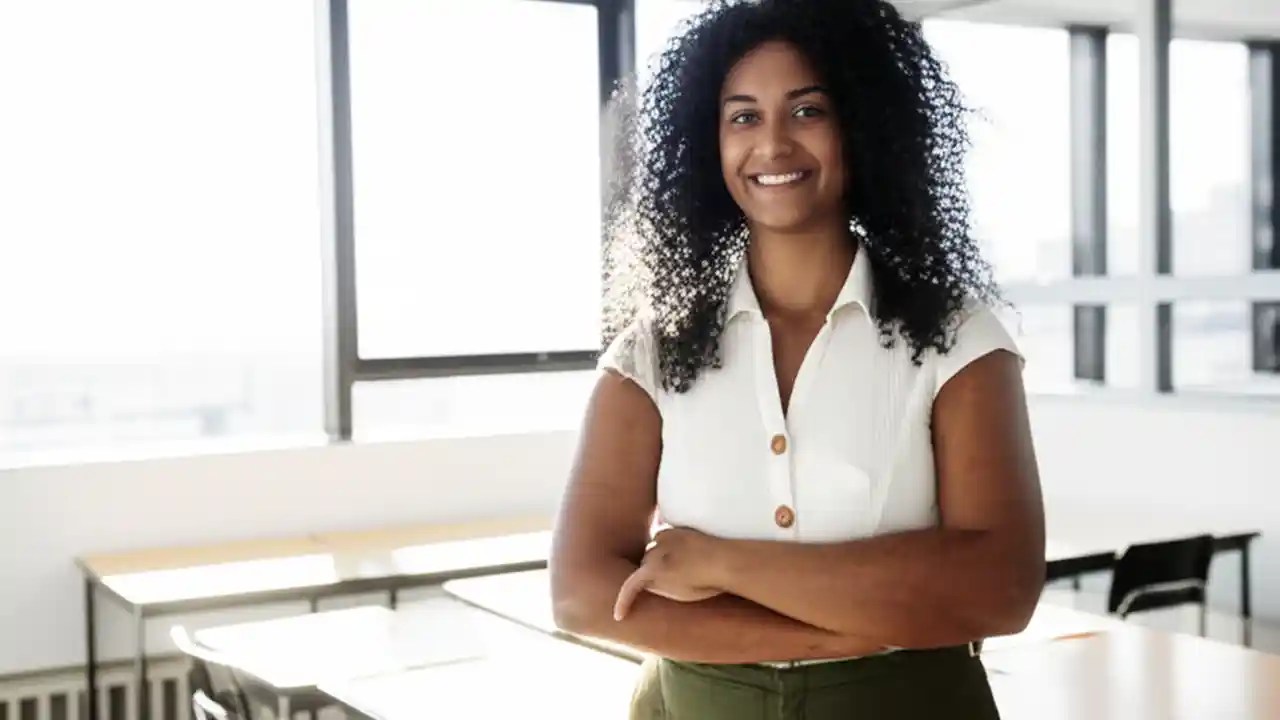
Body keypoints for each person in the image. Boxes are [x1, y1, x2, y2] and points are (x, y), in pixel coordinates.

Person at [550, 0, 1045, 717]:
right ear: (708, 142)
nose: (773, 144)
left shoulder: (959, 340)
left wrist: (715, 562)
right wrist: (839, 634)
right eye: (743, 116)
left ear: (862, 127)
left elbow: (1000, 586)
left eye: (808, 111)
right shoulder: (651, 355)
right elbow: (580, 592)